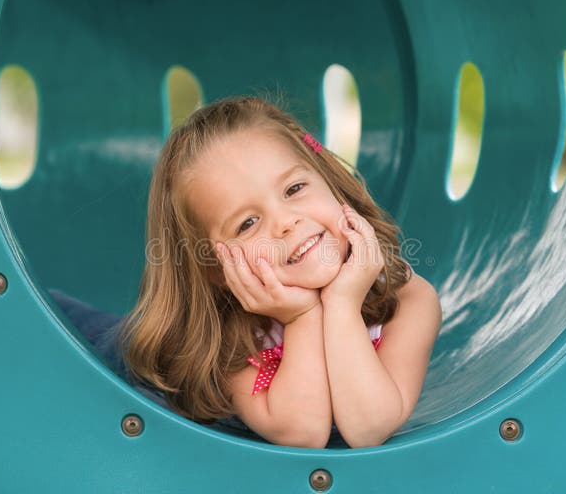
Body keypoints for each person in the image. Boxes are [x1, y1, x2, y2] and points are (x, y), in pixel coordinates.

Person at [118, 96, 441, 449]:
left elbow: (369, 429)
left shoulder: (408, 299)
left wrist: (343, 304)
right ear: (216, 271)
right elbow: (304, 435)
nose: (286, 223)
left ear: (330, 181)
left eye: (294, 189)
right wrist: (302, 316)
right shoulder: (229, 337)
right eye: (248, 223)